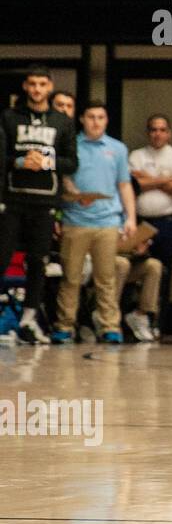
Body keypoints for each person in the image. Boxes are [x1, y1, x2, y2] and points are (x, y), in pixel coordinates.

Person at [0, 67, 77, 343]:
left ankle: (29, 320)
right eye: (32, 84)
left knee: (37, 261)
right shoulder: (9, 117)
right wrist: (20, 162)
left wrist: (46, 162)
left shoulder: (62, 122)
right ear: (24, 86)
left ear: (50, 86)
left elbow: (72, 162)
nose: (36, 89)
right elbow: (3, 157)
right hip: (13, 199)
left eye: (42, 84)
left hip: (45, 202)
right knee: (3, 256)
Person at [54, 102, 135, 344]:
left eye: (101, 117)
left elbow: (124, 184)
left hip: (107, 221)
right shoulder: (71, 145)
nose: (96, 122)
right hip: (75, 220)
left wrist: (130, 217)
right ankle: (65, 325)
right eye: (91, 117)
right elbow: (63, 176)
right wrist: (75, 193)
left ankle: (110, 326)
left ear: (107, 120)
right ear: (81, 119)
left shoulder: (117, 149)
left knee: (106, 277)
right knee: (71, 277)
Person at [129, 113, 172, 330]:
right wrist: (165, 179)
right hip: (141, 222)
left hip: (167, 222)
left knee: (163, 271)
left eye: (162, 130)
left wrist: (148, 179)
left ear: (169, 133)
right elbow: (134, 184)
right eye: (154, 129)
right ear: (148, 133)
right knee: (136, 267)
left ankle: (157, 322)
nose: (158, 134)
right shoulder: (136, 155)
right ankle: (136, 315)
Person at [114, 240, 162, 342]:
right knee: (122, 264)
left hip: (128, 257)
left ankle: (140, 315)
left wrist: (138, 250)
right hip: (105, 259)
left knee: (154, 265)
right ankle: (110, 316)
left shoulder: (129, 224)